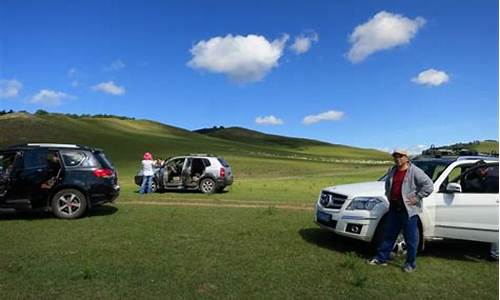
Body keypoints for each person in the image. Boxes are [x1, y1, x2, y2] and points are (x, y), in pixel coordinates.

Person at [368, 149, 434, 272]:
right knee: (389, 235)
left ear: (407, 158)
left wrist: (417, 197)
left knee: (411, 238)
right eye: (395, 156)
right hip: (394, 207)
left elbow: (429, 186)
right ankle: (381, 258)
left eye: (400, 156)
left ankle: (410, 264)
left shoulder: (415, 171)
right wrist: (389, 196)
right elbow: (388, 184)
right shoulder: (392, 170)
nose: (398, 159)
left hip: (408, 209)